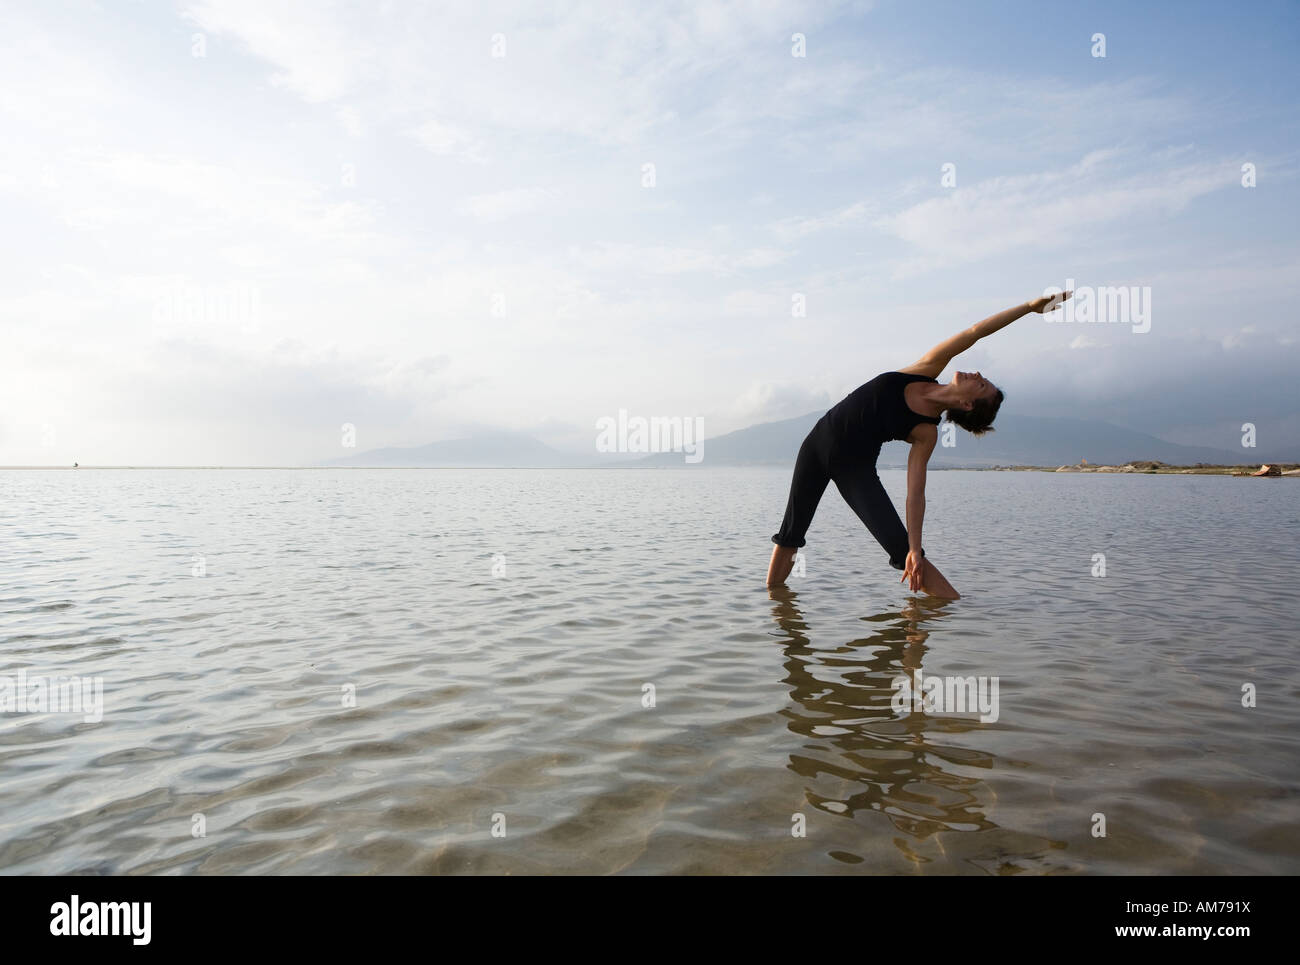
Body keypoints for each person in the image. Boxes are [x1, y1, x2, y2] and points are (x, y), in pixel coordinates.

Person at [766, 291, 1073, 597]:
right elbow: (974, 333)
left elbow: (915, 493)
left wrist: (915, 548)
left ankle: (953, 610)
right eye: (983, 378)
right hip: (816, 447)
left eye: (980, 384)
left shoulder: (926, 431)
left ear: (967, 404)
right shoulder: (926, 369)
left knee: (906, 554)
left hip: (855, 470)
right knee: (790, 535)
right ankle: (776, 610)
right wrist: (1029, 308)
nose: (977, 373)